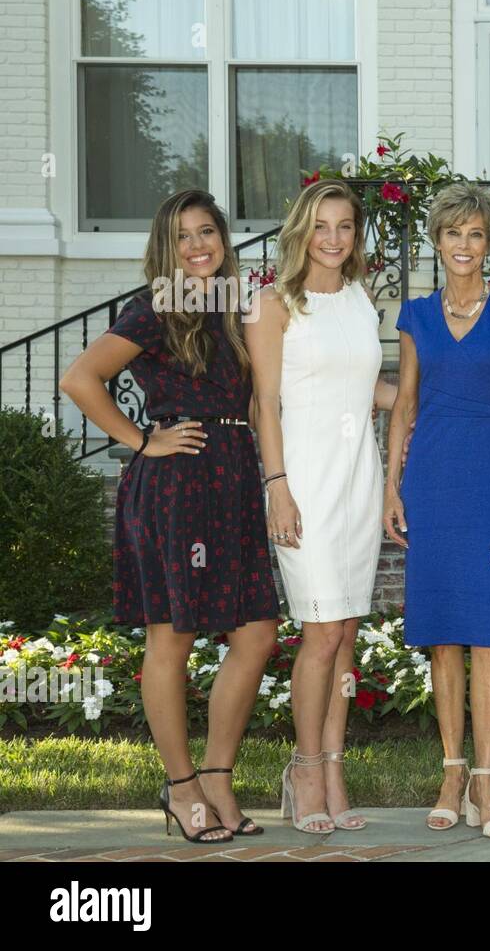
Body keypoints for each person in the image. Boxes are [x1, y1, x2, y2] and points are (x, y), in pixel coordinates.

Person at [59, 189, 278, 843]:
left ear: (223, 238)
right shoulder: (155, 306)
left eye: (207, 231)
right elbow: (79, 379)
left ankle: (217, 776)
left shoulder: (237, 307)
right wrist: (142, 439)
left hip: (233, 475)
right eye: (183, 236)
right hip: (176, 484)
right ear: (166, 248)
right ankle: (182, 788)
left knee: (257, 633)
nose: (198, 245)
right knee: (172, 638)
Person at [383, 182, 490, 841]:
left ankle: (486, 780)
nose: (464, 246)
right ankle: (451, 773)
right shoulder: (416, 316)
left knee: (487, 632)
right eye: (453, 233)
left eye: (476, 234)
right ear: (438, 240)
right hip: (431, 483)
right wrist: (391, 485)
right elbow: (405, 404)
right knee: (442, 633)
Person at [246, 179, 392, 834]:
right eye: (322, 226)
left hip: (358, 477)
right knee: (321, 632)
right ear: (301, 232)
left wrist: (457, 397)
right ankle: (304, 767)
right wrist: (277, 483)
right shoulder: (271, 304)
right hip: (302, 481)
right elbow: (264, 403)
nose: (333, 238)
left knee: (347, 635)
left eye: (345, 227)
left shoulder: (362, 301)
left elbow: (372, 389)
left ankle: (333, 768)